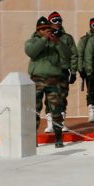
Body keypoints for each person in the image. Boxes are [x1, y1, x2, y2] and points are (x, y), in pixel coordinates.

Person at [25, 17, 67, 148]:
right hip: (37, 80)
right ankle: (33, 139)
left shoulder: (56, 42)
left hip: (54, 80)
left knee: (56, 109)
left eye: (47, 29)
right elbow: (32, 52)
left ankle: (58, 137)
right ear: (38, 30)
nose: (46, 31)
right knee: (35, 110)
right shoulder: (32, 41)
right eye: (42, 29)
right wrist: (44, 39)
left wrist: (58, 43)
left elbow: (67, 55)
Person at [43, 11, 78, 132]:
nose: (57, 23)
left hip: (63, 71)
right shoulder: (43, 36)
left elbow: (74, 55)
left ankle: (61, 123)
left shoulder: (67, 38)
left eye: (59, 20)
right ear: (49, 22)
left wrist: (73, 71)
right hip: (49, 71)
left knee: (62, 97)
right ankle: (50, 123)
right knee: (49, 97)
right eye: (54, 20)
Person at [77, 17, 94, 121]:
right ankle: (92, 111)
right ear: (90, 26)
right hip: (89, 69)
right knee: (91, 90)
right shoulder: (84, 39)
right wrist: (80, 68)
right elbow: (80, 54)